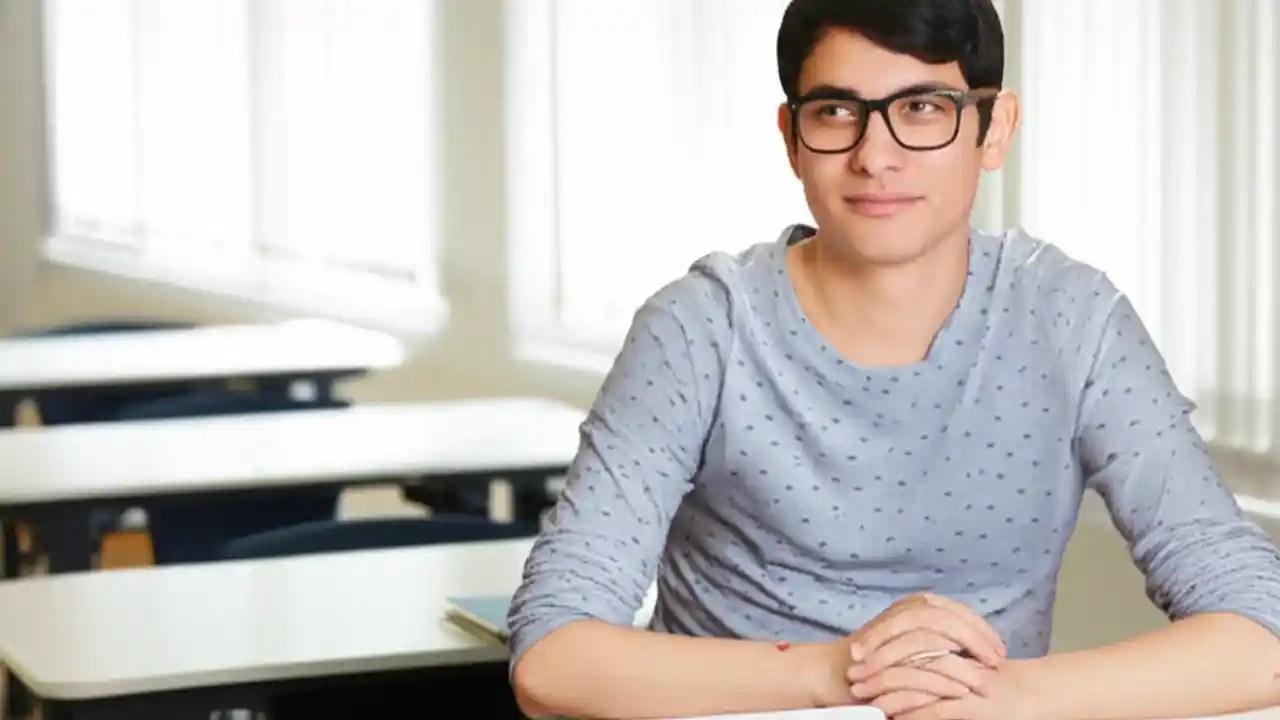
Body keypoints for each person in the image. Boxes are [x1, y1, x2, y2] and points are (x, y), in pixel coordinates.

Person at [506, 1, 1280, 718]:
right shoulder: (701, 326)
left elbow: (1263, 636)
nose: (876, 156)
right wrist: (843, 673)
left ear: (994, 128)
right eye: (837, 112)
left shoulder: (1072, 321)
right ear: (791, 138)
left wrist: (994, 694)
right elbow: (551, 657)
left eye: (922, 109)